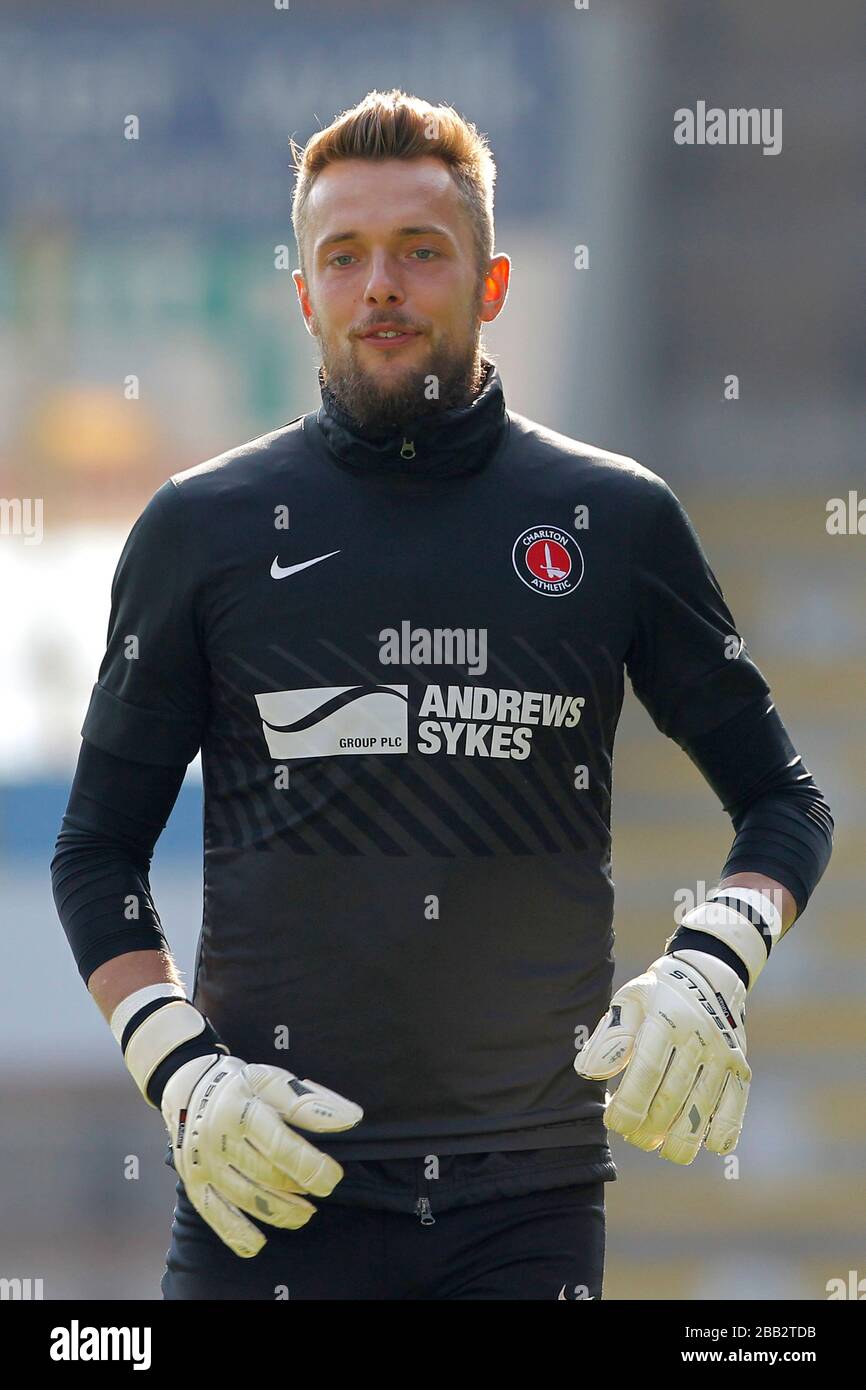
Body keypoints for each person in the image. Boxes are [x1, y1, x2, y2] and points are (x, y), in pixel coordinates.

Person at [51, 89, 834, 1301]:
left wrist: (708, 961)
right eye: (344, 256)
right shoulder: (198, 530)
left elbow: (783, 804)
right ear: (303, 291)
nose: (381, 286)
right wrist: (182, 1069)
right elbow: (97, 850)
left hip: (525, 1212)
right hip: (266, 1193)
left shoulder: (613, 520)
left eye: (421, 253)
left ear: (491, 282)